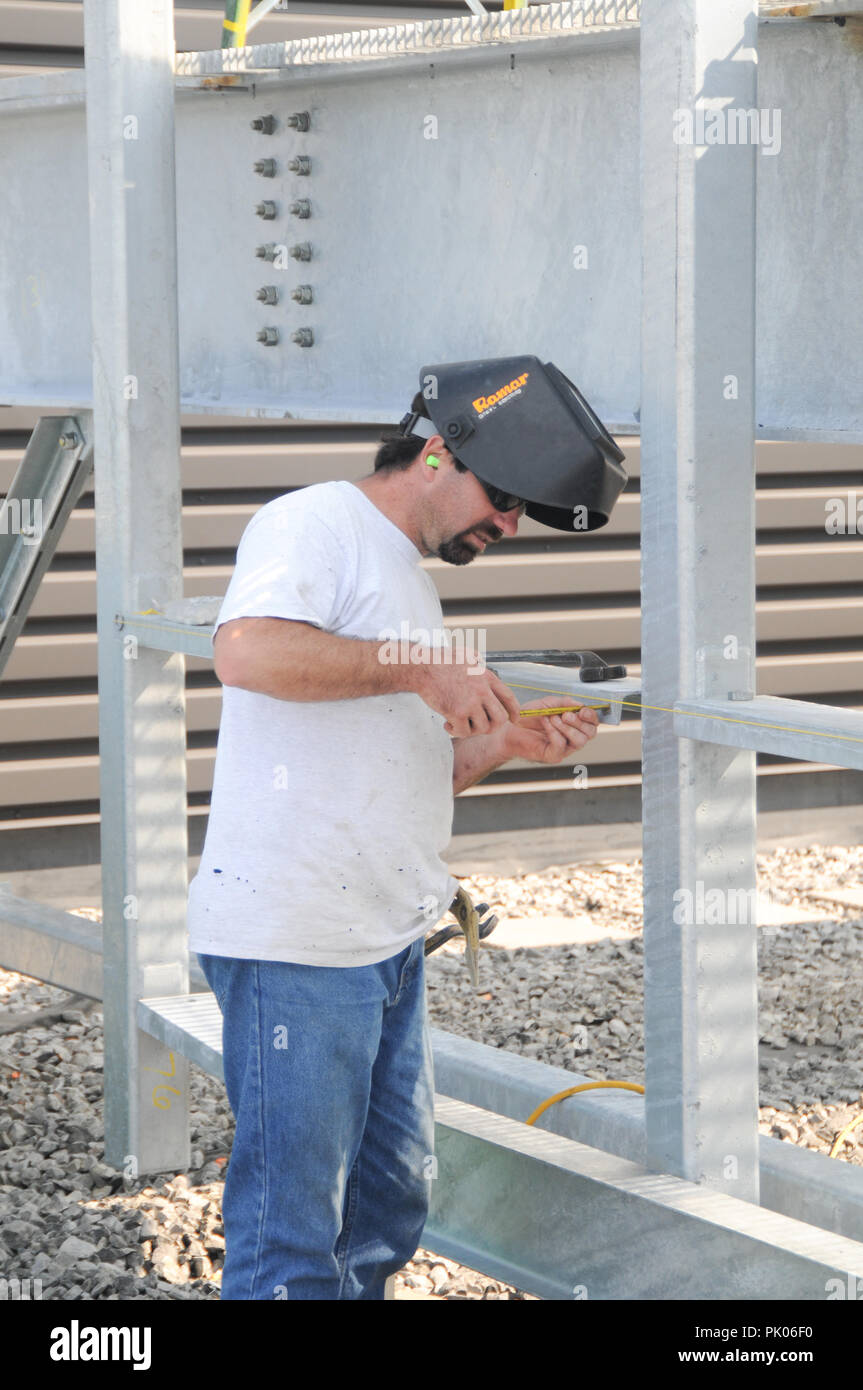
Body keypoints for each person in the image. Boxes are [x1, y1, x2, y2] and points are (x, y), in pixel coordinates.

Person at [187, 355, 627, 1299]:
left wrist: (502, 743)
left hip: (385, 941)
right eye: (504, 499)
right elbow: (247, 651)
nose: (506, 526)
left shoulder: (406, 578)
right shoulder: (314, 522)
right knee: (292, 1227)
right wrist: (428, 672)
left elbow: (394, 772)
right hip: (296, 942)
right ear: (439, 451)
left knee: (386, 1208)